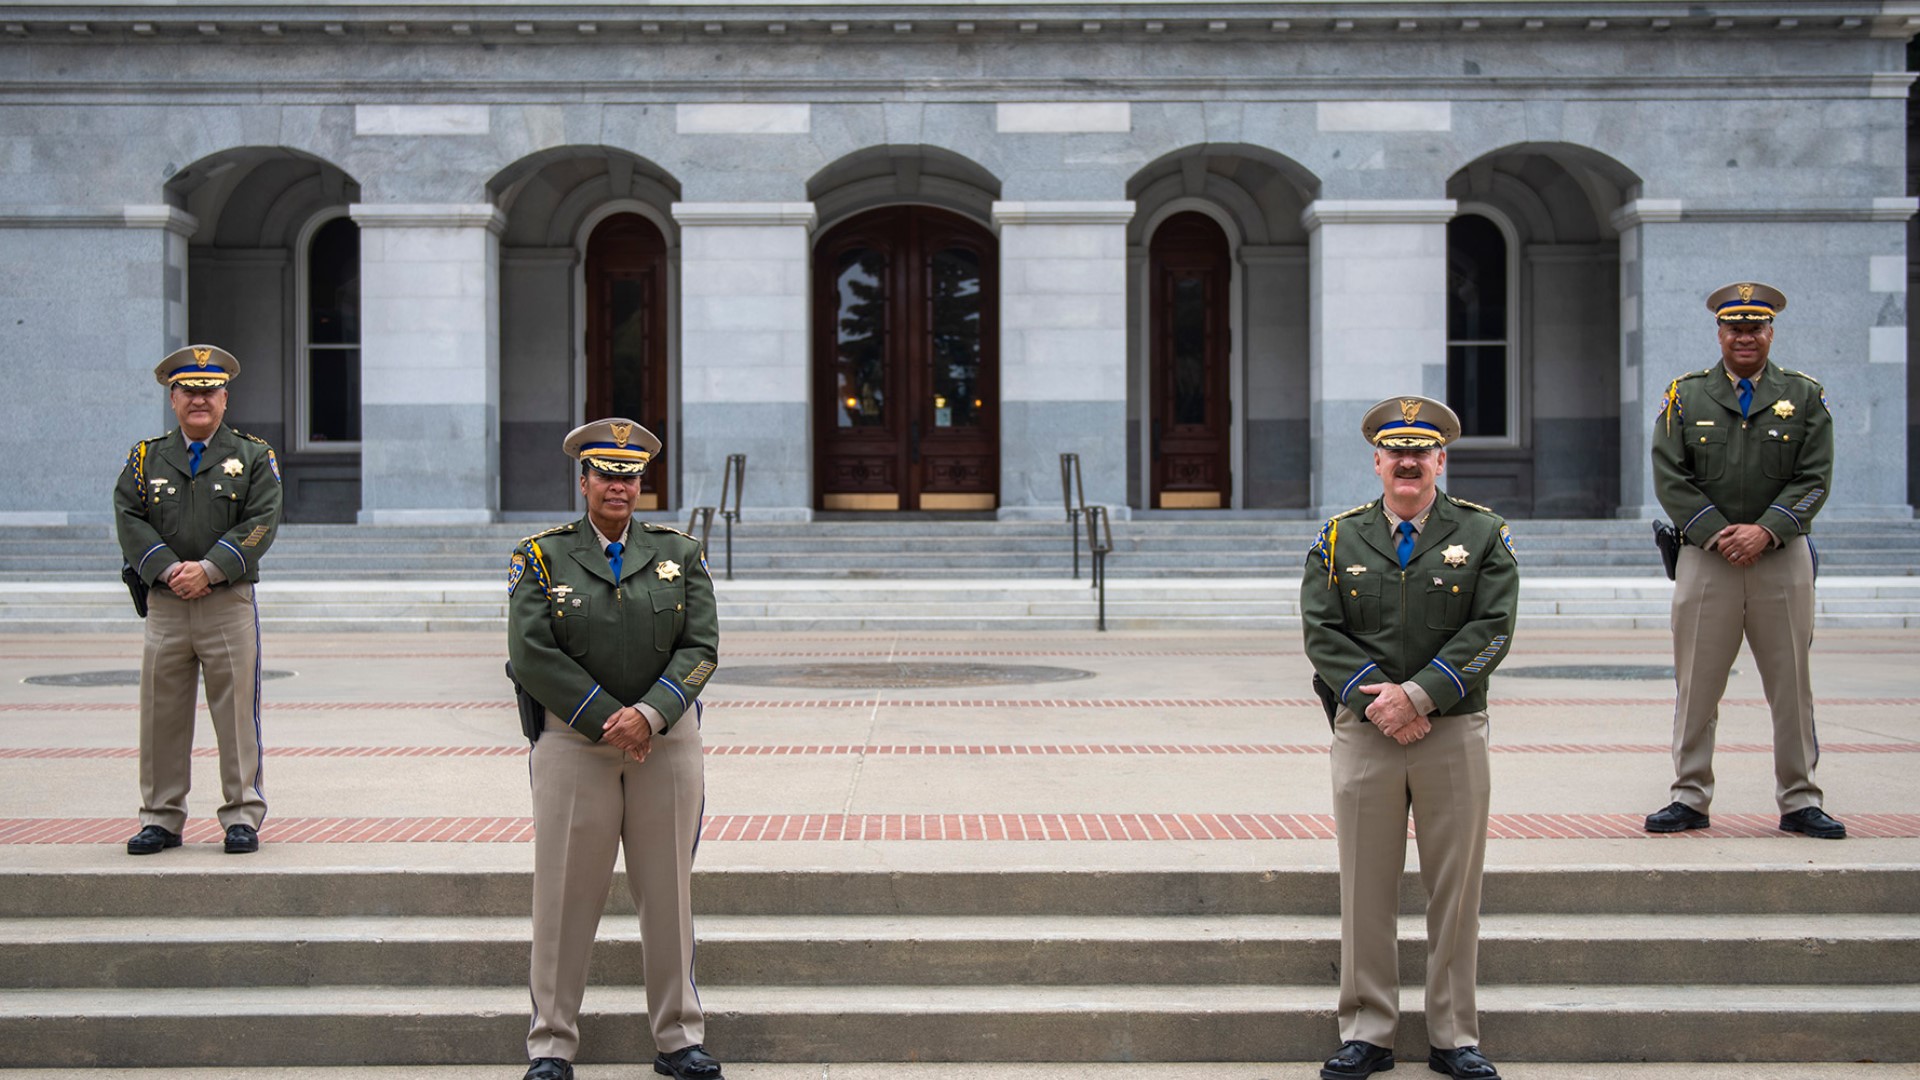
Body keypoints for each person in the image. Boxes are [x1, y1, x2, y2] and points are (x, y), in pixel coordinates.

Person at [1300, 396, 1519, 1080]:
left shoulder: (1482, 535)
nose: (1408, 462)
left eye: (1420, 452)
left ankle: (1454, 1034)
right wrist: (1383, 701)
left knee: (1455, 887)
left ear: (1439, 461)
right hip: (1366, 731)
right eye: (1396, 452)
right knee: (1366, 884)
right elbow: (1321, 632)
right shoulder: (1339, 537)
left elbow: (1493, 628)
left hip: (1450, 729)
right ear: (1376, 462)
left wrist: (1419, 696)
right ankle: (1368, 1030)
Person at [508, 418, 723, 1080]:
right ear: (583, 482)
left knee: (668, 894)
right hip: (576, 743)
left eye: (629, 477)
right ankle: (551, 1042)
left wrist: (651, 715)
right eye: (606, 475)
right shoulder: (542, 555)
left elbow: (701, 646)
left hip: (664, 745)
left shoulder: (680, 553)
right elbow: (530, 653)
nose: (618, 488)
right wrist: (610, 718)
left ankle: (678, 1038)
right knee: (565, 894)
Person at [1645, 282, 1845, 840]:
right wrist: (1716, 534)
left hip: (1781, 556)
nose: (1745, 336)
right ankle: (1689, 795)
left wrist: (1767, 531)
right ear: (1720, 333)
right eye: (1735, 327)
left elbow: (1815, 477)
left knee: (1791, 684)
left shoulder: (1804, 396)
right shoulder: (1686, 397)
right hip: (1706, 558)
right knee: (1697, 684)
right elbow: (1669, 476)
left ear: (1770, 332)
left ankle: (1800, 798)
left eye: (1755, 327)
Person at [112, 344, 282, 856]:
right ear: (173, 398)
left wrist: (208, 570)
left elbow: (262, 522)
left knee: (235, 713)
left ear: (225, 399)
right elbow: (128, 515)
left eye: (209, 391)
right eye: (189, 391)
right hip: (166, 604)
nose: (199, 401)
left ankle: (241, 815)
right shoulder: (146, 458)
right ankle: (161, 817)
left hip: (226, 601)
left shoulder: (253, 456)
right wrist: (167, 568)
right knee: (161, 712)